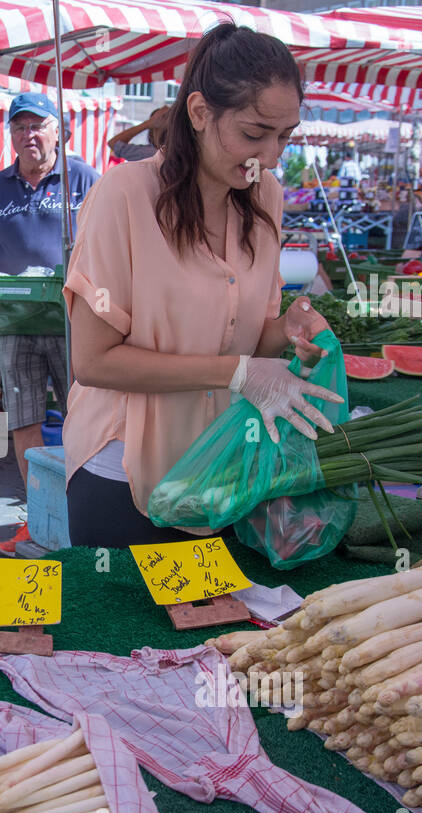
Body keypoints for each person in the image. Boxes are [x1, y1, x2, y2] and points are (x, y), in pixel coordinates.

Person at [62, 23, 341, 549]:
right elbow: (93, 361)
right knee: (125, 630)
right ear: (198, 113)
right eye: (255, 134)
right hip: (125, 470)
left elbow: (248, 340)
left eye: (285, 136)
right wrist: (239, 375)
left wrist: (288, 328)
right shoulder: (124, 195)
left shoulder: (266, 198)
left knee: (220, 630)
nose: (273, 155)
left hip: (224, 466)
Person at [0, 91, 100, 555]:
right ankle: (38, 515)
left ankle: (87, 512)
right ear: (11, 136)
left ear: (58, 130)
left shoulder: (84, 180)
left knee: (86, 413)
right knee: (24, 419)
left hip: (75, 322)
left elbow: (110, 247)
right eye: (19, 127)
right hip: (16, 322)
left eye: (37, 125)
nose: (28, 135)